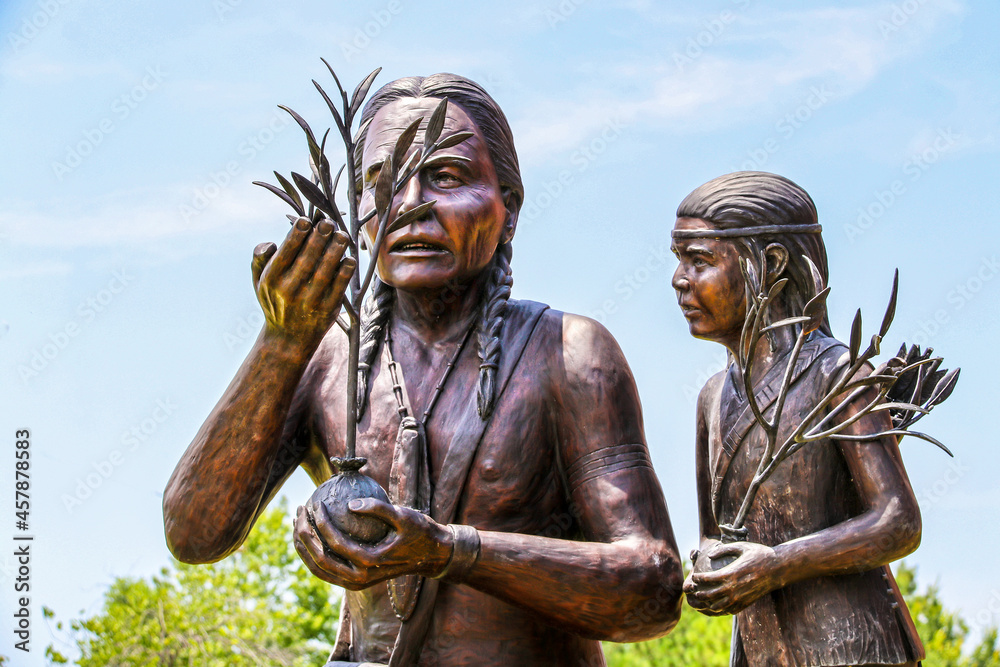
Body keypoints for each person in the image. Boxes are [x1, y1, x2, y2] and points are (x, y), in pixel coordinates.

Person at [163, 73, 682, 667]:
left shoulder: (566, 354)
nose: (409, 205)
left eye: (447, 177)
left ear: (507, 210)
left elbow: (654, 585)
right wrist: (281, 344)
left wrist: (447, 551)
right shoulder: (326, 356)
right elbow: (194, 534)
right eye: (381, 184)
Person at [671, 172, 925, 666]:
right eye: (678, 260)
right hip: (762, 648)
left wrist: (777, 564)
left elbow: (899, 521)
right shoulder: (711, 397)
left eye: (699, 260)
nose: (680, 280)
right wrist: (706, 567)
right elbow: (716, 533)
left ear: (771, 264)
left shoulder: (839, 375)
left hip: (853, 647)